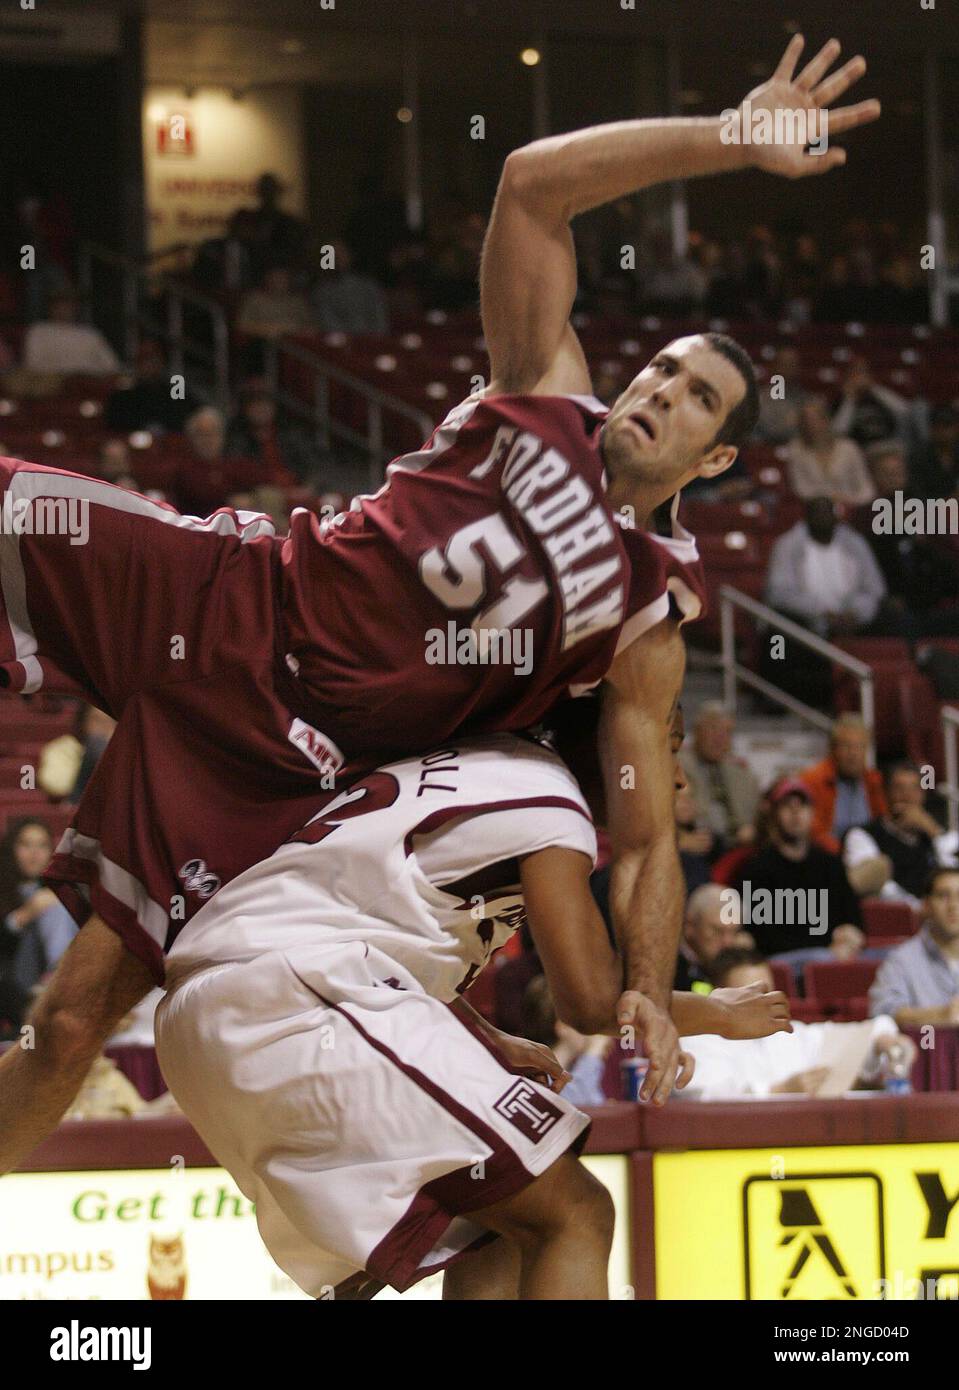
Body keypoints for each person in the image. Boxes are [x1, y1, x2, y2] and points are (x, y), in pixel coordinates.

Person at [0, 35, 876, 1113]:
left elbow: (646, 840)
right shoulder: (542, 384)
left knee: (69, 1024)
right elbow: (531, 184)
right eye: (659, 366)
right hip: (231, 599)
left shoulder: (646, 616)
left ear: (717, 458)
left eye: (694, 396)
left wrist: (651, 990)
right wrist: (729, 137)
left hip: (279, 778)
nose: (657, 390)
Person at [0, 718, 791, 1301]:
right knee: (574, 1214)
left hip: (239, 1011)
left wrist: (481, 1035)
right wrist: (715, 1013)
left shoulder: (478, 767)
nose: (678, 781)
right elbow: (590, 999)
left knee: (490, 1228)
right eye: (670, 748)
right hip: (294, 993)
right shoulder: (550, 802)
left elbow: (369, 913)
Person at [681, 948, 912, 1098]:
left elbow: (864, 1034)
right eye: (750, 994)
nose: (765, 1001)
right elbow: (699, 1097)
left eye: (768, 991)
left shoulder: (788, 1033)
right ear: (721, 995)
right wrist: (778, 1091)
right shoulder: (696, 1040)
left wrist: (887, 1043)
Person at [732, 777, 867, 970]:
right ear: (774, 814)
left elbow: (854, 919)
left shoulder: (830, 864)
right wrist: (827, 948)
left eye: (802, 806)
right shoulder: (757, 868)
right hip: (781, 962)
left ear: (812, 813)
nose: (796, 813)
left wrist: (850, 937)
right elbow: (759, 935)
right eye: (787, 806)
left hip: (831, 957)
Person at [765, 494, 886, 642]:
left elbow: (874, 588)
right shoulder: (787, 544)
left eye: (827, 512)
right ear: (806, 517)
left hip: (853, 620)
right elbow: (779, 593)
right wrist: (821, 612)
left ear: (835, 517)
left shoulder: (855, 543)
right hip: (806, 623)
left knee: (890, 616)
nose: (822, 517)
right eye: (817, 513)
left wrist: (856, 612)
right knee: (782, 626)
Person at [0, 817, 77, 1033]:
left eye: (42, 845)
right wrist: (24, 916)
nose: (35, 853)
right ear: (11, 849)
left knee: (57, 907)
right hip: (13, 987)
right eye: (26, 845)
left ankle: (59, 984)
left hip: (55, 983)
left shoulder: (63, 890)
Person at [843, 762, 956, 907]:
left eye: (915, 788)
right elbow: (881, 890)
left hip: (937, 919)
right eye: (899, 788)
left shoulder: (933, 836)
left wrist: (934, 832)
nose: (907, 796)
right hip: (892, 920)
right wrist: (922, 907)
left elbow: (954, 874)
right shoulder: (862, 835)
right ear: (886, 792)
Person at [868, 867, 959, 1029]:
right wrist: (941, 1016)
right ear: (926, 905)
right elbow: (881, 1013)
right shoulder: (901, 960)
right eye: (943, 896)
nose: (953, 905)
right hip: (927, 1049)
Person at [799, 713, 886, 850]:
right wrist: (843, 853)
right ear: (833, 749)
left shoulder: (874, 781)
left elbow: (884, 826)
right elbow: (812, 830)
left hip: (868, 857)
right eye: (846, 746)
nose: (853, 754)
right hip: (828, 857)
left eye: (859, 746)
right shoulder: (812, 780)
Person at [680, 701, 760, 850]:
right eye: (713, 729)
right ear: (697, 731)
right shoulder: (677, 766)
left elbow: (758, 820)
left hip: (739, 849)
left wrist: (754, 830)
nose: (720, 738)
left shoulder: (743, 775)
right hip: (697, 848)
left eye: (727, 732)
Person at [226, 381, 324, 488]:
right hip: (260, 493)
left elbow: (312, 466)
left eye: (265, 404)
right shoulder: (237, 439)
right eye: (255, 404)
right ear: (245, 409)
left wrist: (308, 487)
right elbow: (239, 473)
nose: (261, 409)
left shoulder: (290, 433)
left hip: (295, 490)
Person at [782, 396, 875, 505]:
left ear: (827, 420)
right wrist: (829, 499)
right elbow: (801, 489)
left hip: (851, 506)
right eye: (806, 421)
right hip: (815, 509)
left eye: (816, 419)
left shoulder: (849, 447)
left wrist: (848, 501)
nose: (812, 425)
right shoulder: (795, 449)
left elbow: (866, 488)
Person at [105, 339, 199, 435]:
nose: (149, 364)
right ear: (136, 363)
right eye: (143, 359)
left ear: (162, 361)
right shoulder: (121, 399)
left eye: (153, 358)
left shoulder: (177, 392)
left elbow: (187, 419)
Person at [674, 883, 752, 992]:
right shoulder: (671, 969)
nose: (728, 942)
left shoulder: (730, 960)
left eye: (734, 932)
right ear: (689, 925)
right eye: (717, 931)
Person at [21, 291, 120, 377]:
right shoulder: (39, 332)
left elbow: (111, 366)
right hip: (52, 387)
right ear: (51, 307)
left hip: (88, 386)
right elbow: (33, 366)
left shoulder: (90, 333)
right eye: (60, 304)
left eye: (70, 304)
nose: (65, 308)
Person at [37, 703, 116, 803]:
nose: (105, 727)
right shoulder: (63, 748)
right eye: (97, 720)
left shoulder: (129, 751)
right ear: (83, 722)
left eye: (111, 721)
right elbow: (55, 785)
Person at [312, 240, 389, 335]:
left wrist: (375, 340)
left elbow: (380, 318)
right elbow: (329, 323)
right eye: (334, 255)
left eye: (342, 253)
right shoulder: (322, 291)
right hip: (342, 344)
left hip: (373, 341)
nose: (338, 258)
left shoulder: (369, 286)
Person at [753, 345, 809, 445]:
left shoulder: (807, 399)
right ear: (775, 367)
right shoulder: (760, 399)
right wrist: (800, 423)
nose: (790, 369)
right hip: (767, 452)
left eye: (793, 364)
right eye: (785, 364)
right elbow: (772, 432)